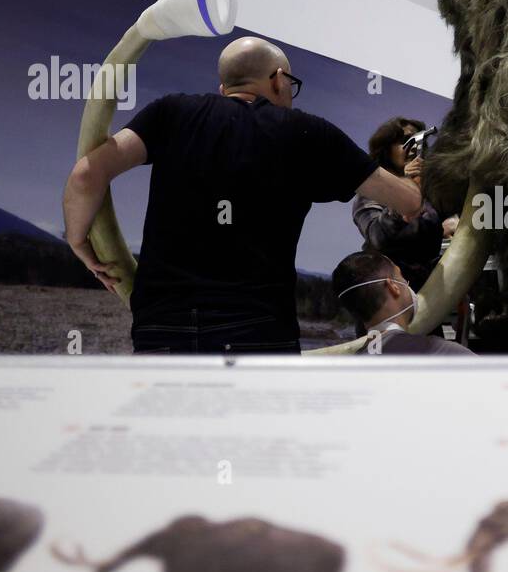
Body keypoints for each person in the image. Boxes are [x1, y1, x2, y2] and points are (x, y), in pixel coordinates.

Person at [63, 37, 421, 354]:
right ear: (278, 79)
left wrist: (78, 241)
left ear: (224, 88)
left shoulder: (170, 112)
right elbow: (407, 202)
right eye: (291, 84)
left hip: (161, 329)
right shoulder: (309, 133)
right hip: (260, 333)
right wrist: (413, 175)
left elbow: (86, 175)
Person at [352, 116, 456, 291]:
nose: (413, 146)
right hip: (388, 288)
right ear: (386, 149)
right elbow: (378, 238)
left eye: (417, 139)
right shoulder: (371, 192)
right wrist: (404, 191)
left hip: (430, 287)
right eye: (404, 140)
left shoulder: (430, 192)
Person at [331, 251, 474, 356]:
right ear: (393, 287)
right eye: (401, 277)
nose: (407, 284)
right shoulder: (443, 353)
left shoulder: (354, 369)